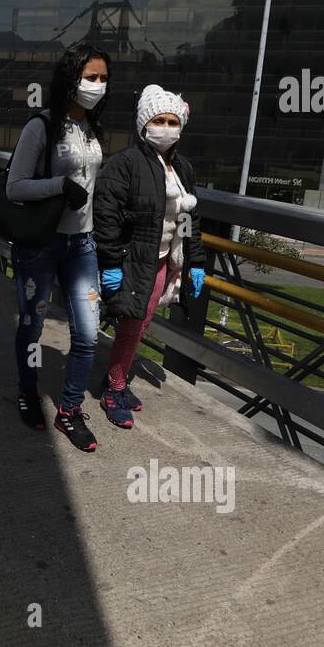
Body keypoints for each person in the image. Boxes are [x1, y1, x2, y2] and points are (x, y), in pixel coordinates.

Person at [6, 44, 110, 452]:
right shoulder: (42, 127)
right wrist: (59, 186)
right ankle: (28, 392)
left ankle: (69, 411)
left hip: (82, 244)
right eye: (91, 77)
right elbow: (15, 186)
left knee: (87, 333)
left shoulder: (93, 129)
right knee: (32, 326)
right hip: (41, 244)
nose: (97, 86)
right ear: (69, 78)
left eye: (103, 79)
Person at [93, 84, 206, 429]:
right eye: (160, 119)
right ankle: (114, 388)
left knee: (140, 325)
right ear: (144, 124)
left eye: (173, 121)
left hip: (162, 262)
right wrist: (111, 263)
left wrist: (196, 263)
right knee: (129, 324)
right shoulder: (125, 164)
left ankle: (117, 378)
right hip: (131, 261)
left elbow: (190, 219)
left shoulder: (183, 169)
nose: (167, 127)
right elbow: (105, 215)